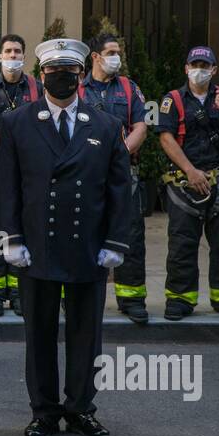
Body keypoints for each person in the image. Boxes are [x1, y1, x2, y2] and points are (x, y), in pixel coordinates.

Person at [0, 37, 131, 436]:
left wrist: (115, 242)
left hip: (86, 246)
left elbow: (120, 189)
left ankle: (80, 409)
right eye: (53, 73)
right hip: (36, 244)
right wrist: (12, 237)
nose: (61, 78)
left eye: (69, 73)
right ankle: (44, 411)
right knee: (38, 334)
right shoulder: (17, 122)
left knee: (84, 334)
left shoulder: (106, 125)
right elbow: (8, 186)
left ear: (80, 76)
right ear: (42, 76)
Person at [154, 45, 219, 321]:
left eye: (205, 66)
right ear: (186, 69)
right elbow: (165, 138)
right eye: (195, 65)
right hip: (185, 181)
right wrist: (191, 171)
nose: (199, 70)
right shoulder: (172, 99)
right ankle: (181, 299)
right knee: (182, 243)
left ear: (214, 70)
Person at [79, 32, 149, 324]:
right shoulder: (79, 89)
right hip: (86, 174)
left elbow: (141, 127)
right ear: (95, 57)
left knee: (129, 233)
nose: (116, 58)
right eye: (111, 52)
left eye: (118, 52)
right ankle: (79, 295)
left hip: (122, 174)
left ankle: (131, 298)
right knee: (82, 232)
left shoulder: (129, 88)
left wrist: (119, 155)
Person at [0, 34, 40, 316]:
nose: (13, 56)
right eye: (8, 51)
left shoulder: (37, 88)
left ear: (24, 56)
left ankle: (17, 290)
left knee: (20, 227)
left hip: (26, 169)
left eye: (17, 51)